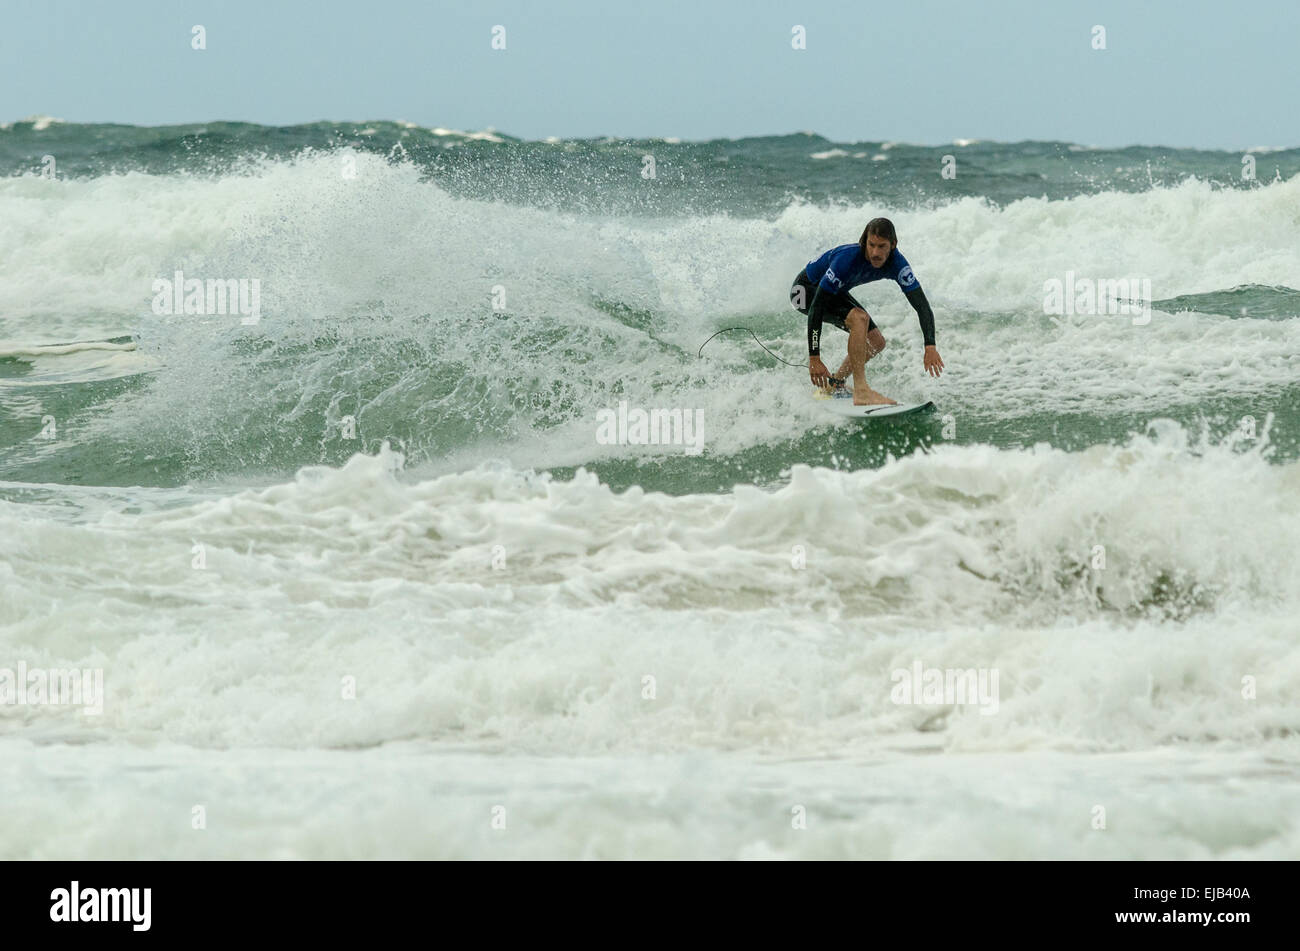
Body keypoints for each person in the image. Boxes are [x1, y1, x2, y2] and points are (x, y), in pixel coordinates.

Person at [790, 217, 944, 405]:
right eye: (871, 245)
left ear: (893, 245)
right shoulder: (846, 260)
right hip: (804, 291)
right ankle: (862, 391)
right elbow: (817, 306)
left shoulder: (898, 264)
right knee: (859, 319)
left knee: (876, 342)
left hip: (833, 292)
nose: (875, 253)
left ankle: (835, 384)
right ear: (865, 241)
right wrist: (814, 358)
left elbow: (922, 305)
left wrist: (930, 346)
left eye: (881, 246)